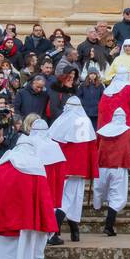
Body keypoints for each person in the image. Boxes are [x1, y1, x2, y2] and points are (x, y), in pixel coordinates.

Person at [48, 96, 100, 243]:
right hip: (78, 170)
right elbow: (92, 149)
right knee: (72, 199)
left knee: (61, 199)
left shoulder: (59, 123)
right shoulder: (86, 123)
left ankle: (59, 230)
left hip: (60, 168)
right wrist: (91, 169)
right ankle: (71, 231)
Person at [93, 108, 130, 237]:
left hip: (102, 165)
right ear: (124, 118)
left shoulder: (102, 132)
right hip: (119, 166)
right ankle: (109, 225)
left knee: (100, 188)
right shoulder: (129, 133)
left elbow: (95, 147)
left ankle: (96, 206)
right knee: (117, 195)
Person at [25, 117, 68, 247]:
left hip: (31, 180)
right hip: (49, 182)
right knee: (50, 207)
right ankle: (50, 234)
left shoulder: (27, 143)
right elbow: (61, 171)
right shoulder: (54, 146)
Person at [96, 65, 130, 133]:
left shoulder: (108, 89)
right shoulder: (129, 88)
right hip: (125, 119)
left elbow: (101, 107)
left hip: (109, 121)